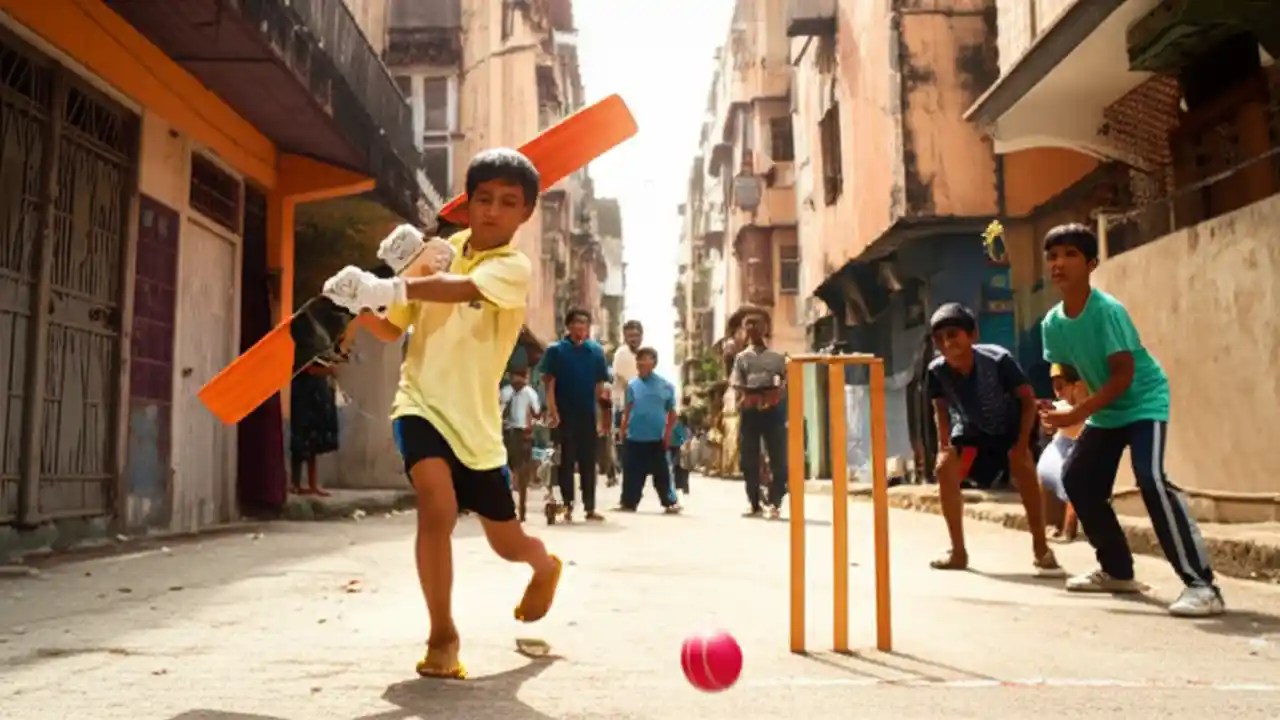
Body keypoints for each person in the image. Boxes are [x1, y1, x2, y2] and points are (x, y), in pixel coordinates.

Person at [320, 148, 562, 678]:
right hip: (420, 402)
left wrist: (391, 284)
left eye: (508, 202)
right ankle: (442, 637)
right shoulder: (435, 253)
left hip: (475, 427)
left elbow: (458, 289)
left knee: (507, 542)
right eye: (483, 199)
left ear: (525, 214)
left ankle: (544, 566)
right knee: (436, 508)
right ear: (468, 203)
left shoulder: (512, 268)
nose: (493, 210)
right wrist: (362, 307)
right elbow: (396, 323)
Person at [1039, 223, 1223, 616]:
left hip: (1142, 402)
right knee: (1078, 479)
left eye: (1070, 254)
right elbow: (1063, 361)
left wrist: (1078, 412)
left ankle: (1202, 585)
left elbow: (1123, 377)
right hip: (1106, 411)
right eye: (1053, 256)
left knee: (1150, 478)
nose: (1059, 263)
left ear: (1091, 263)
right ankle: (1117, 570)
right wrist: (1060, 389)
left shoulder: (1108, 311)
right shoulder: (1053, 322)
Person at [925, 302, 1064, 576]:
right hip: (971, 432)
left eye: (953, 334)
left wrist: (1022, 443)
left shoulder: (998, 360)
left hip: (1011, 428)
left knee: (1023, 469)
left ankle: (1041, 549)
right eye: (940, 338)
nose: (947, 343)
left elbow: (1028, 402)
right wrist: (944, 447)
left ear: (972, 335)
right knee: (944, 469)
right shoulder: (936, 370)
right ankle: (958, 551)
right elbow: (940, 408)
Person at [540, 308, 611, 522]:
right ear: (569, 326)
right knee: (566, 461)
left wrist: (601, 416)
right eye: (577, 323)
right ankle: (568, 505)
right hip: (564, 414)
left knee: (589, 462)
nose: (581, 328)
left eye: (585, 324)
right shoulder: (556, 351)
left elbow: (599, 386)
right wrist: (552, 411)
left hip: (587, 414)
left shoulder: (596, 352)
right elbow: (549, 383)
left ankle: (590, 508)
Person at [730, 307, 788, 519]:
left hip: (774, 412)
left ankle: (775, 502)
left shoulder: (777, 358)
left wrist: (775, 396)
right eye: (749, 323)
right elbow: (738, 385)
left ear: (765, 328)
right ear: (744, 329)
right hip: (750, 412)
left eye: (757, 323)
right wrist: (747, 400)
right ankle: (754, 503)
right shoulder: (741, 358)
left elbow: (785, 383)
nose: (753, 327)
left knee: (779, 460)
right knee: (749, 460)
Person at [617, 347, 682, 513]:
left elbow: (672, 413)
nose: (643, 362)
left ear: (654, 363)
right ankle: (628, 502)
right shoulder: (632, 385)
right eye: (640, 359)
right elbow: (628, 409)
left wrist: (668, 434)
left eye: (647, 359)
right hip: (634, 437)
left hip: (656, 438)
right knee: (632, 473)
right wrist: (622, 431)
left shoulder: (666, 386)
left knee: (662, 474)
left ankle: (669, 501)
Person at [1038, 363, 1086, 542]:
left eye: (1061, 386)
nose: (1058, 393)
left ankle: (1068, 529)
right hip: (1061, 447)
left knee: (1074, 479)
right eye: (1054, 387)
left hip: (1082, 449)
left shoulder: (1091, 403)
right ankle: (1051, 525)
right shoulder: (1061, 405)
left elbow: (1078, 417)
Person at [289, 360, 340, 496]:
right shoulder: (302, 345)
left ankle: (312, 484)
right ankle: (296, 483)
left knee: (314, 440)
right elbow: (303, 366)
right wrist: (324, 370)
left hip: (318, 390)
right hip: (303, 391)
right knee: (300, 438)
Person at [501, 369, 541, 522]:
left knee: (517, 473)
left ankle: (518, 510)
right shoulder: (512, 392)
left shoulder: (523, 393)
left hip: (516, 434)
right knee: (515, 473)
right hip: (514, 434)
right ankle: (514, 510)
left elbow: (536, 412)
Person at [611, 320, 644, 486]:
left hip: (639, 408)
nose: (634, 339)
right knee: (625, 446)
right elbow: (629, 382)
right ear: (624, 336)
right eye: (630, 335)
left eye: (637, 335)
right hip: (625, 407)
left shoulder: (642, 355)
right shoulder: (622, 354)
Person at [669, 410, 691, 495]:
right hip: (678, 447)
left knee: (678, 468)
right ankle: (683, 486)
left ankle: (680, 486)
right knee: (682, 468)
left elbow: (682, 437)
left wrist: (683, 444)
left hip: (677, 447)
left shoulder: (677, 425)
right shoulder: (684, 427)